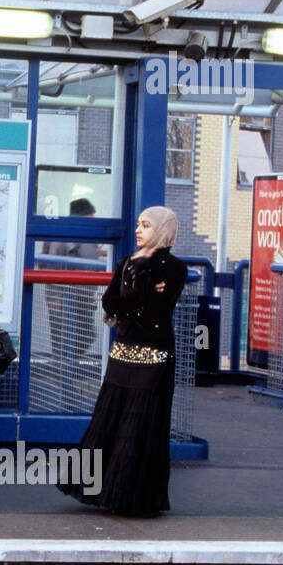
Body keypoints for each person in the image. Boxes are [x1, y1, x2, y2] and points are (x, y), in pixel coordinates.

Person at [58, 206, 187, 516]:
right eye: (138, 224)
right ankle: (102, 489)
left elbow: (154, 306)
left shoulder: (173, 268)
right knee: (110, 416)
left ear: (162, 229)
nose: (139, 230)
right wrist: (136, 298)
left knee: (141, 421)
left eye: (146, 225)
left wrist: (135, 295)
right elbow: (110, 300)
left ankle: (133, 497)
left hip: (153, 355)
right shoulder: (126, 262)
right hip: (124, 350)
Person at [43, 197, 102, 362]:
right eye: (90, 215)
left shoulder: (86, 235)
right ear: (82, 216)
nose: (94, 219)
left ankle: (64, 371)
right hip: (66, 296)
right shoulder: (66, 235)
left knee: (83, 335)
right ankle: (62, 374)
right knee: (64, 338)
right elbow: (52, 268)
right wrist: (54, 297)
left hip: (81, 296)